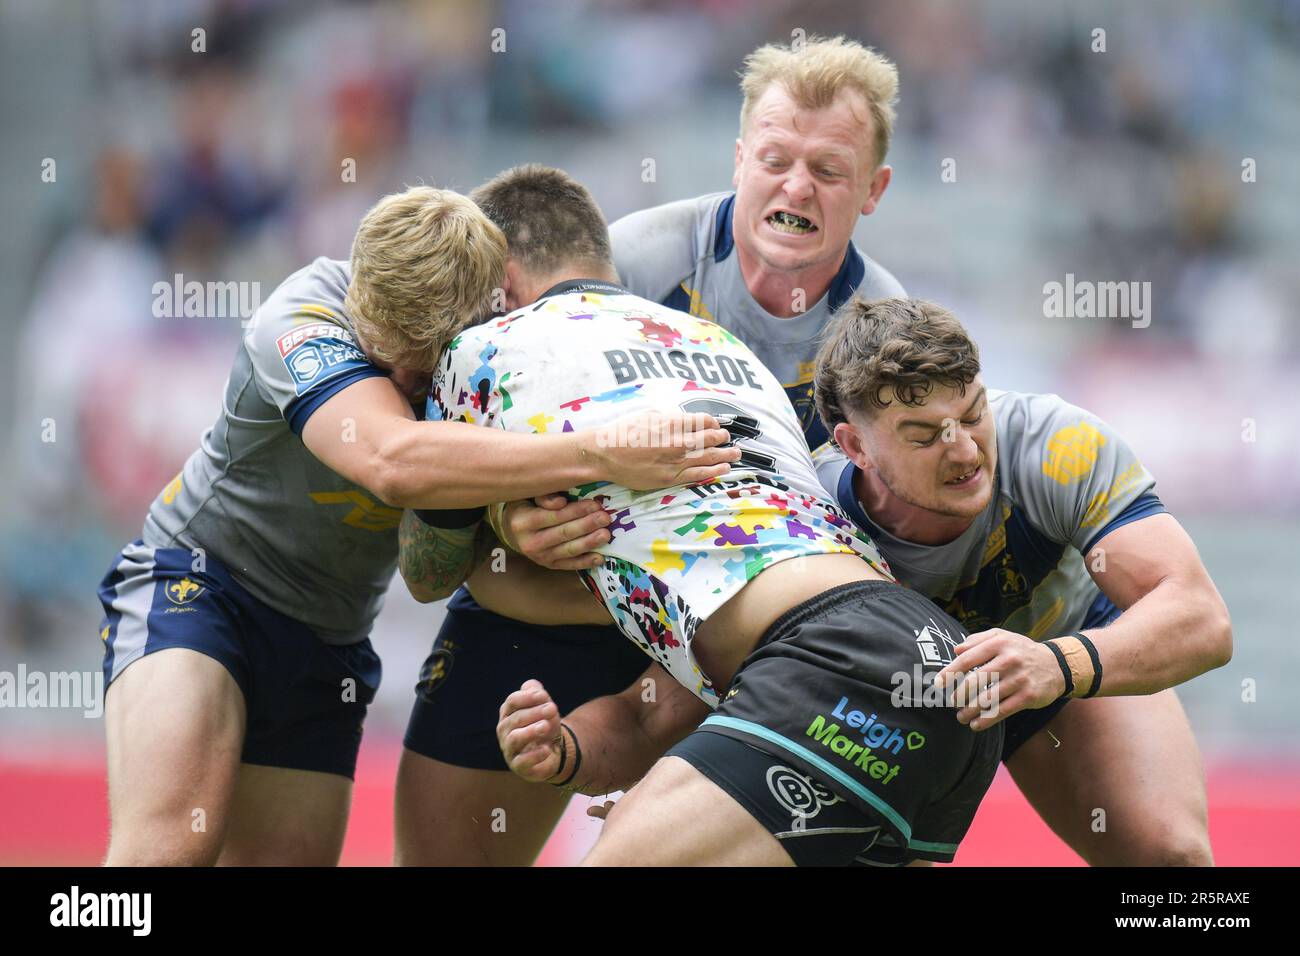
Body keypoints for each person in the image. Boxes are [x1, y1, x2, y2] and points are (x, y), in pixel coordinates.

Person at [95, 186, 736, 866]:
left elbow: (430, 572)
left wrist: (510, 529)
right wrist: (604, 450)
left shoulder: (499, 353)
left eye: (426, 365)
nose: (404, 381)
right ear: (360, 299)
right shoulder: (300, 315)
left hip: (327, 643)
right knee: (168, 848)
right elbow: (394, 461)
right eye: (384, 356)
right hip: (200, 590)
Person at [396, 33, 906, 866]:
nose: (796, 186)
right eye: (776, 158)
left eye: (829, 169)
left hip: (736, 628)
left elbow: (860, 533)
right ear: (740, 156)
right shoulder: (632, 261)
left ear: (875, 190)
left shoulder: (880, 336)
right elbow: (477, 456)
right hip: (572, 585)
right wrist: (507, 516)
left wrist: (679, 743)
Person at [500, 296, 1233, 866]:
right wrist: (565, 748)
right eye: (921, 435)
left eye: (971, 413)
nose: (963, 451)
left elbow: (1201, 617)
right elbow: (656, 712)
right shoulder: (801, 513)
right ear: (852, 446)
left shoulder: (1056, 443)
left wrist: (1058, 664)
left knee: (1167, 859)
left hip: (1062, 652)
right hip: (913, 705)